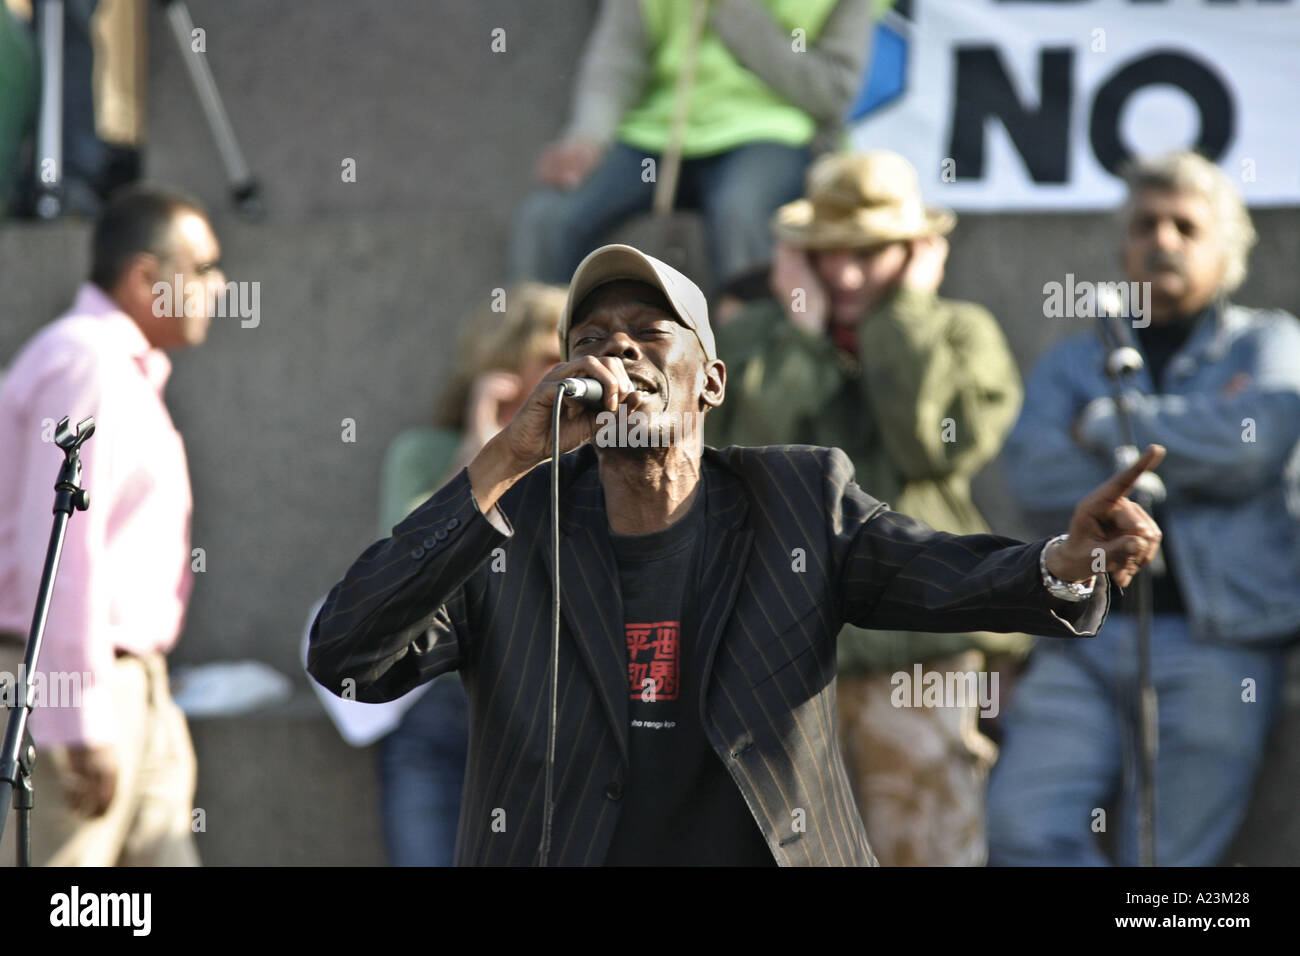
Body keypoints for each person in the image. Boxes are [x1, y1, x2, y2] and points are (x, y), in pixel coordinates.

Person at [308, 242, 1164, 867]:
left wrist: (1067, 557)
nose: (619, 350)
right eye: (593, 338)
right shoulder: (517, 521)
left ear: (711, 381)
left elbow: (950, 575)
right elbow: (348, 654)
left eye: (650, 331)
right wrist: (503, 458)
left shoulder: (795, 501)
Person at [705, 150, 1029, 865]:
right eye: (825, 255)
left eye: (871, 255)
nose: (846, 276)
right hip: (786, 657)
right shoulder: (754, 339)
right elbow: (751, 455)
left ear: (917, 251)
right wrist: (800, 332)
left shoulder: (959, 331)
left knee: (929, 851)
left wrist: (904, 316)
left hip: (919, 650)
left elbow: (931, 446)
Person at [986, 150, 1300, 866]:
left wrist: (1105, 428)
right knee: (1021, 828)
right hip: (1083, 638)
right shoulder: (1073, 359)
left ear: (1228, 249)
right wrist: (1189, 449)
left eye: (1186, 227)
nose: (1163, 241)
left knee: (1166, 860)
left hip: (1220, 643)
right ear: (1124, 244)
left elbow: (1257, 447)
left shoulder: (1269, 340)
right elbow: (1035, 476)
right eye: (1146, 224)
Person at [0, 184, 223, 866]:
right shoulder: (86, 364)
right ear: (146, 279)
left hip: (135, 686)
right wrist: (78, 720)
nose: (220, 287)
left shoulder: (110, 367)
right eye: (205, 268)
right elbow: (58, 550)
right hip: (82, 691)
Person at [370, 283, 566, 866]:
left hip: (530, 713)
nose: (566, 377)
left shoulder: (578, 460)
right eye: (549, 361)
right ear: (505, 365)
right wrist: (481, 446)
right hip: (436, 706)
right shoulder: (426, 452)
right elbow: (402, 566)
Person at [506, 0, 873, 294]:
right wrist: (587, 138)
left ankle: (749, 364)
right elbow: (617, 60)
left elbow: (832, 93)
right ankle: (541, 360)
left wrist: (738, 15)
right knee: (548, 218)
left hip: (772, 134)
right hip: (654, 135)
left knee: (741, 211)